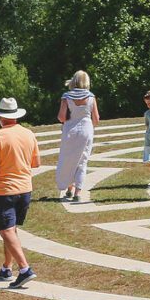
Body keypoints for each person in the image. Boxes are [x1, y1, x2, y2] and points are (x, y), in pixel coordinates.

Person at [0, 97, 40, 289]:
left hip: (3, 190)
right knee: (11, 229)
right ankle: (7, 267)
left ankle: (24, 270)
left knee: (5, 229)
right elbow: (35, 163)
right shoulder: (29, 134)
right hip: (25, 188)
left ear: (0, 117)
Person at [55, 71, 99, 202]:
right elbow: (96, 118)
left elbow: (61, 117)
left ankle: (69, 188)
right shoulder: (91, 97)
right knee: (82, 160)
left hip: (70, 130)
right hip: (86, 129)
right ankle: (77, 192)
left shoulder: (66, 96)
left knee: (68, 159)